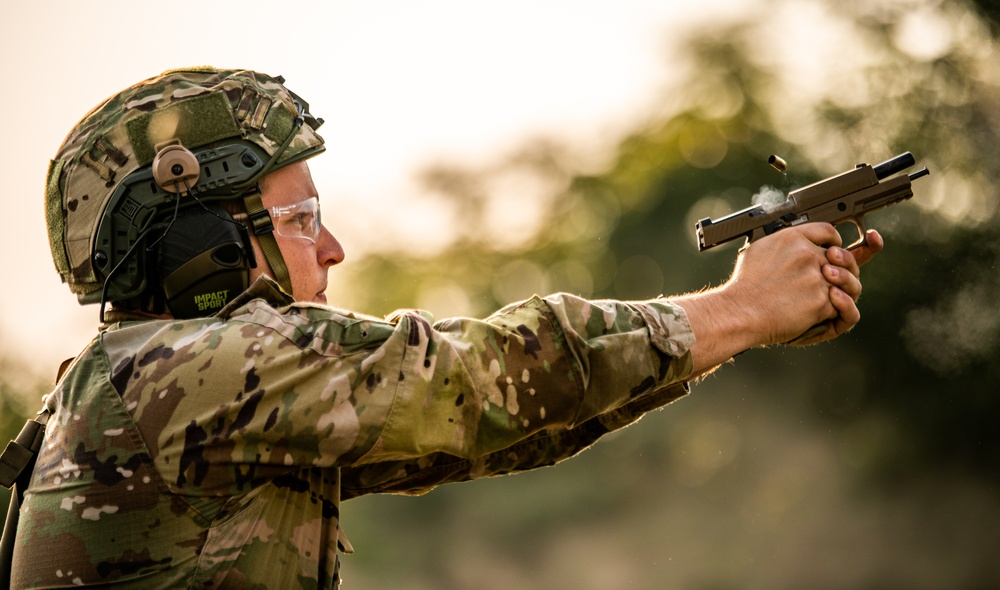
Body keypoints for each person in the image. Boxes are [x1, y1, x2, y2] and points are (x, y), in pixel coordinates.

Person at [1, 67, 881, 589]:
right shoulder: (187, 370)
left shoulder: (136, 379)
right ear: (205, 239)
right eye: (303, 218)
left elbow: (498, 428)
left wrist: (744, 323)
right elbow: (473, 376)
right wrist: (737, 306)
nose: (334, 247)